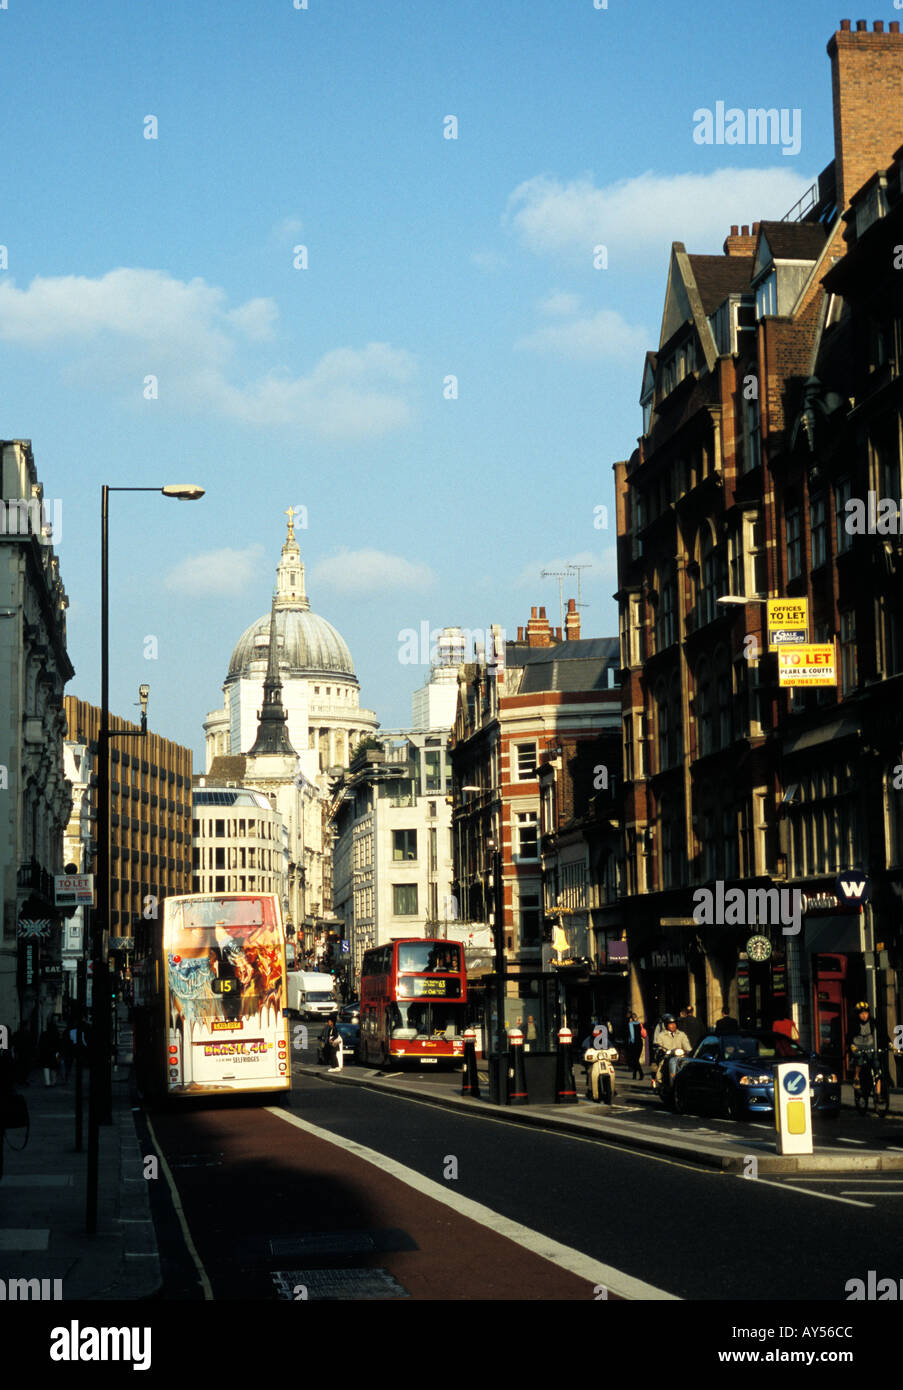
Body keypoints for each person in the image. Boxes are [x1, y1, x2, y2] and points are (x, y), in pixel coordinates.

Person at [848, 1000, 885, 1092]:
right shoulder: (854, 1023)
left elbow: (882, 1032)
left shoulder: (872, 1021)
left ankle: (878, 1093)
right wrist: (852, 1045)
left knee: (876, 1064)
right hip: (858, 1046)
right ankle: (856, 1077)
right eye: (861, 1014)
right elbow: (849, 1036)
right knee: (859, 1060)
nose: (864, 1016)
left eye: (866, 1013)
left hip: (869, 1046)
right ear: (857, 1015)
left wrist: (889, 1042)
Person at [652, 1015, 692, 1089]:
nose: (673, 1026)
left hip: (680, 1058)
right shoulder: (661, 1035)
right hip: (667, 1057)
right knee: (660, 1069)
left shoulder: (681, 1034)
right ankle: (661, 1082)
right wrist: (661, 1050)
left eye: (674, 1023)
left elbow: (687, 1046)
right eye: (670, 1024)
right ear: (666, 1025)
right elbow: (658, 1045)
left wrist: (689, 1051)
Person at [38, 1021, 60, 1088]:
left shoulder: (44, 1034)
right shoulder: (56, 1034)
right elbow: (59, 1045)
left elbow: (40, 1044)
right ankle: (53, 1082)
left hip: (45, 1053)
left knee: (46, 1067)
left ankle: (47, 1082)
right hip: (54, 1053)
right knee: (54, 1067)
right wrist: (58, 1054)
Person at [625, 1011, 646, 1079]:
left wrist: (631, 1043)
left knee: (634, 1060)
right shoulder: (640, 1024)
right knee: (636, 1059)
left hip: (634, 1044)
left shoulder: (630, 1024)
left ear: (631, 1018)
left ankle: (641, 1074)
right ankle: (634, 1075)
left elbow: (632, 1035)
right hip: (640, 1042)